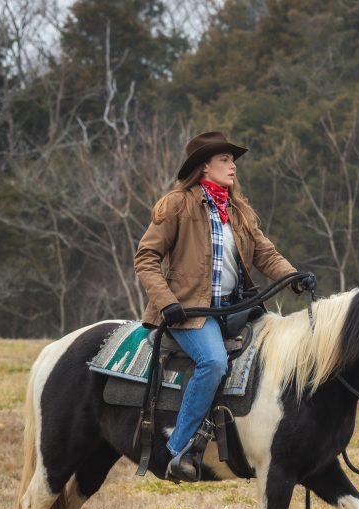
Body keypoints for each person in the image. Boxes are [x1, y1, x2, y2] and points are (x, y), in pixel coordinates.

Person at [135, 131, 316, 481]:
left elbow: (266, 254)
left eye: (232, 161)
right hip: (188, 315)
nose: (233, 166)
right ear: (205, 166)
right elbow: (146, 258)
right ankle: (178, 451)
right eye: (225, 160)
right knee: (214, 362)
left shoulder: (239, 211)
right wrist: (168, 303)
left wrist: (294, 277)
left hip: (235, 312)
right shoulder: (176, 204)